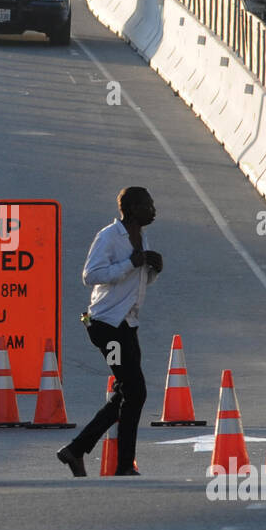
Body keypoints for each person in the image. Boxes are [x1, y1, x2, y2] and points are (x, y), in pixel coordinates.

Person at [57, 187, 162, 478]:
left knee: (126, 393)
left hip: (127, 324)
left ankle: (76, 450)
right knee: (135, 391)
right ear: (130, 209)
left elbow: (135, 282)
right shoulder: (109, 237)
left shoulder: (141, 237)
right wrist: (132, 263)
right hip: (105, 326)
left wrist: (153, 271)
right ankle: (124, 465)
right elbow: (91, 275)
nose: (153, 209)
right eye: (147, 205)